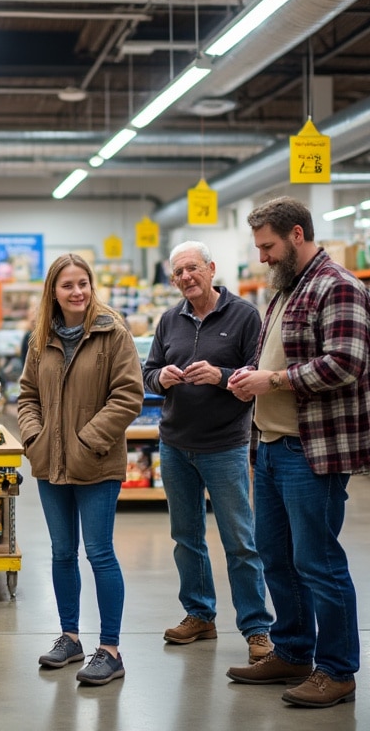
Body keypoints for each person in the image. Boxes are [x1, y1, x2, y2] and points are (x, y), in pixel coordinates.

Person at [227, 197, 370, 709]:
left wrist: (270, 380)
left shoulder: (337, 285)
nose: (263, 258)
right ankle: (294, 651)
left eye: (268, 246)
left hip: (311, 451)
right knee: (276, 556)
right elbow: (274, 353)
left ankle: (338, 670)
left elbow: (345, 363)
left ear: (297, 235)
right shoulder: (287, 289)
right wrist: (248, 377)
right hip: (273, 446)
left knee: (317, 561)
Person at [142, 240, 274, 665]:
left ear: (211, 268)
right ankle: (200, 614)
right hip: (175, 445)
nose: (186, 278)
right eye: (178, 272)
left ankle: (256, 629)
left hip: (225, 446)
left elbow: (259, 374)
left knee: (240, 540)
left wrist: (221, 376)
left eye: (192, 269)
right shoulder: (168, 321)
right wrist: (160, 376)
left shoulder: (244, 316)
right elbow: (147, 375)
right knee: (186, 537)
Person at [17, 253, 144, 687]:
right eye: (68, 285)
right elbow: (27, 396)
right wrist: (34, 437)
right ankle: (70, 637)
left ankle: (110, 649)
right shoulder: (41, 339)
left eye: (83, 283)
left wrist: (88, 440)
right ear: (53, 290)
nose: (77, 292)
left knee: (100, 553)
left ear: (92, 286)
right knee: (60, 552)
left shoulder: (113, 334)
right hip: (49, 464)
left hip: (96, 463)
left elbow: (129, 396)